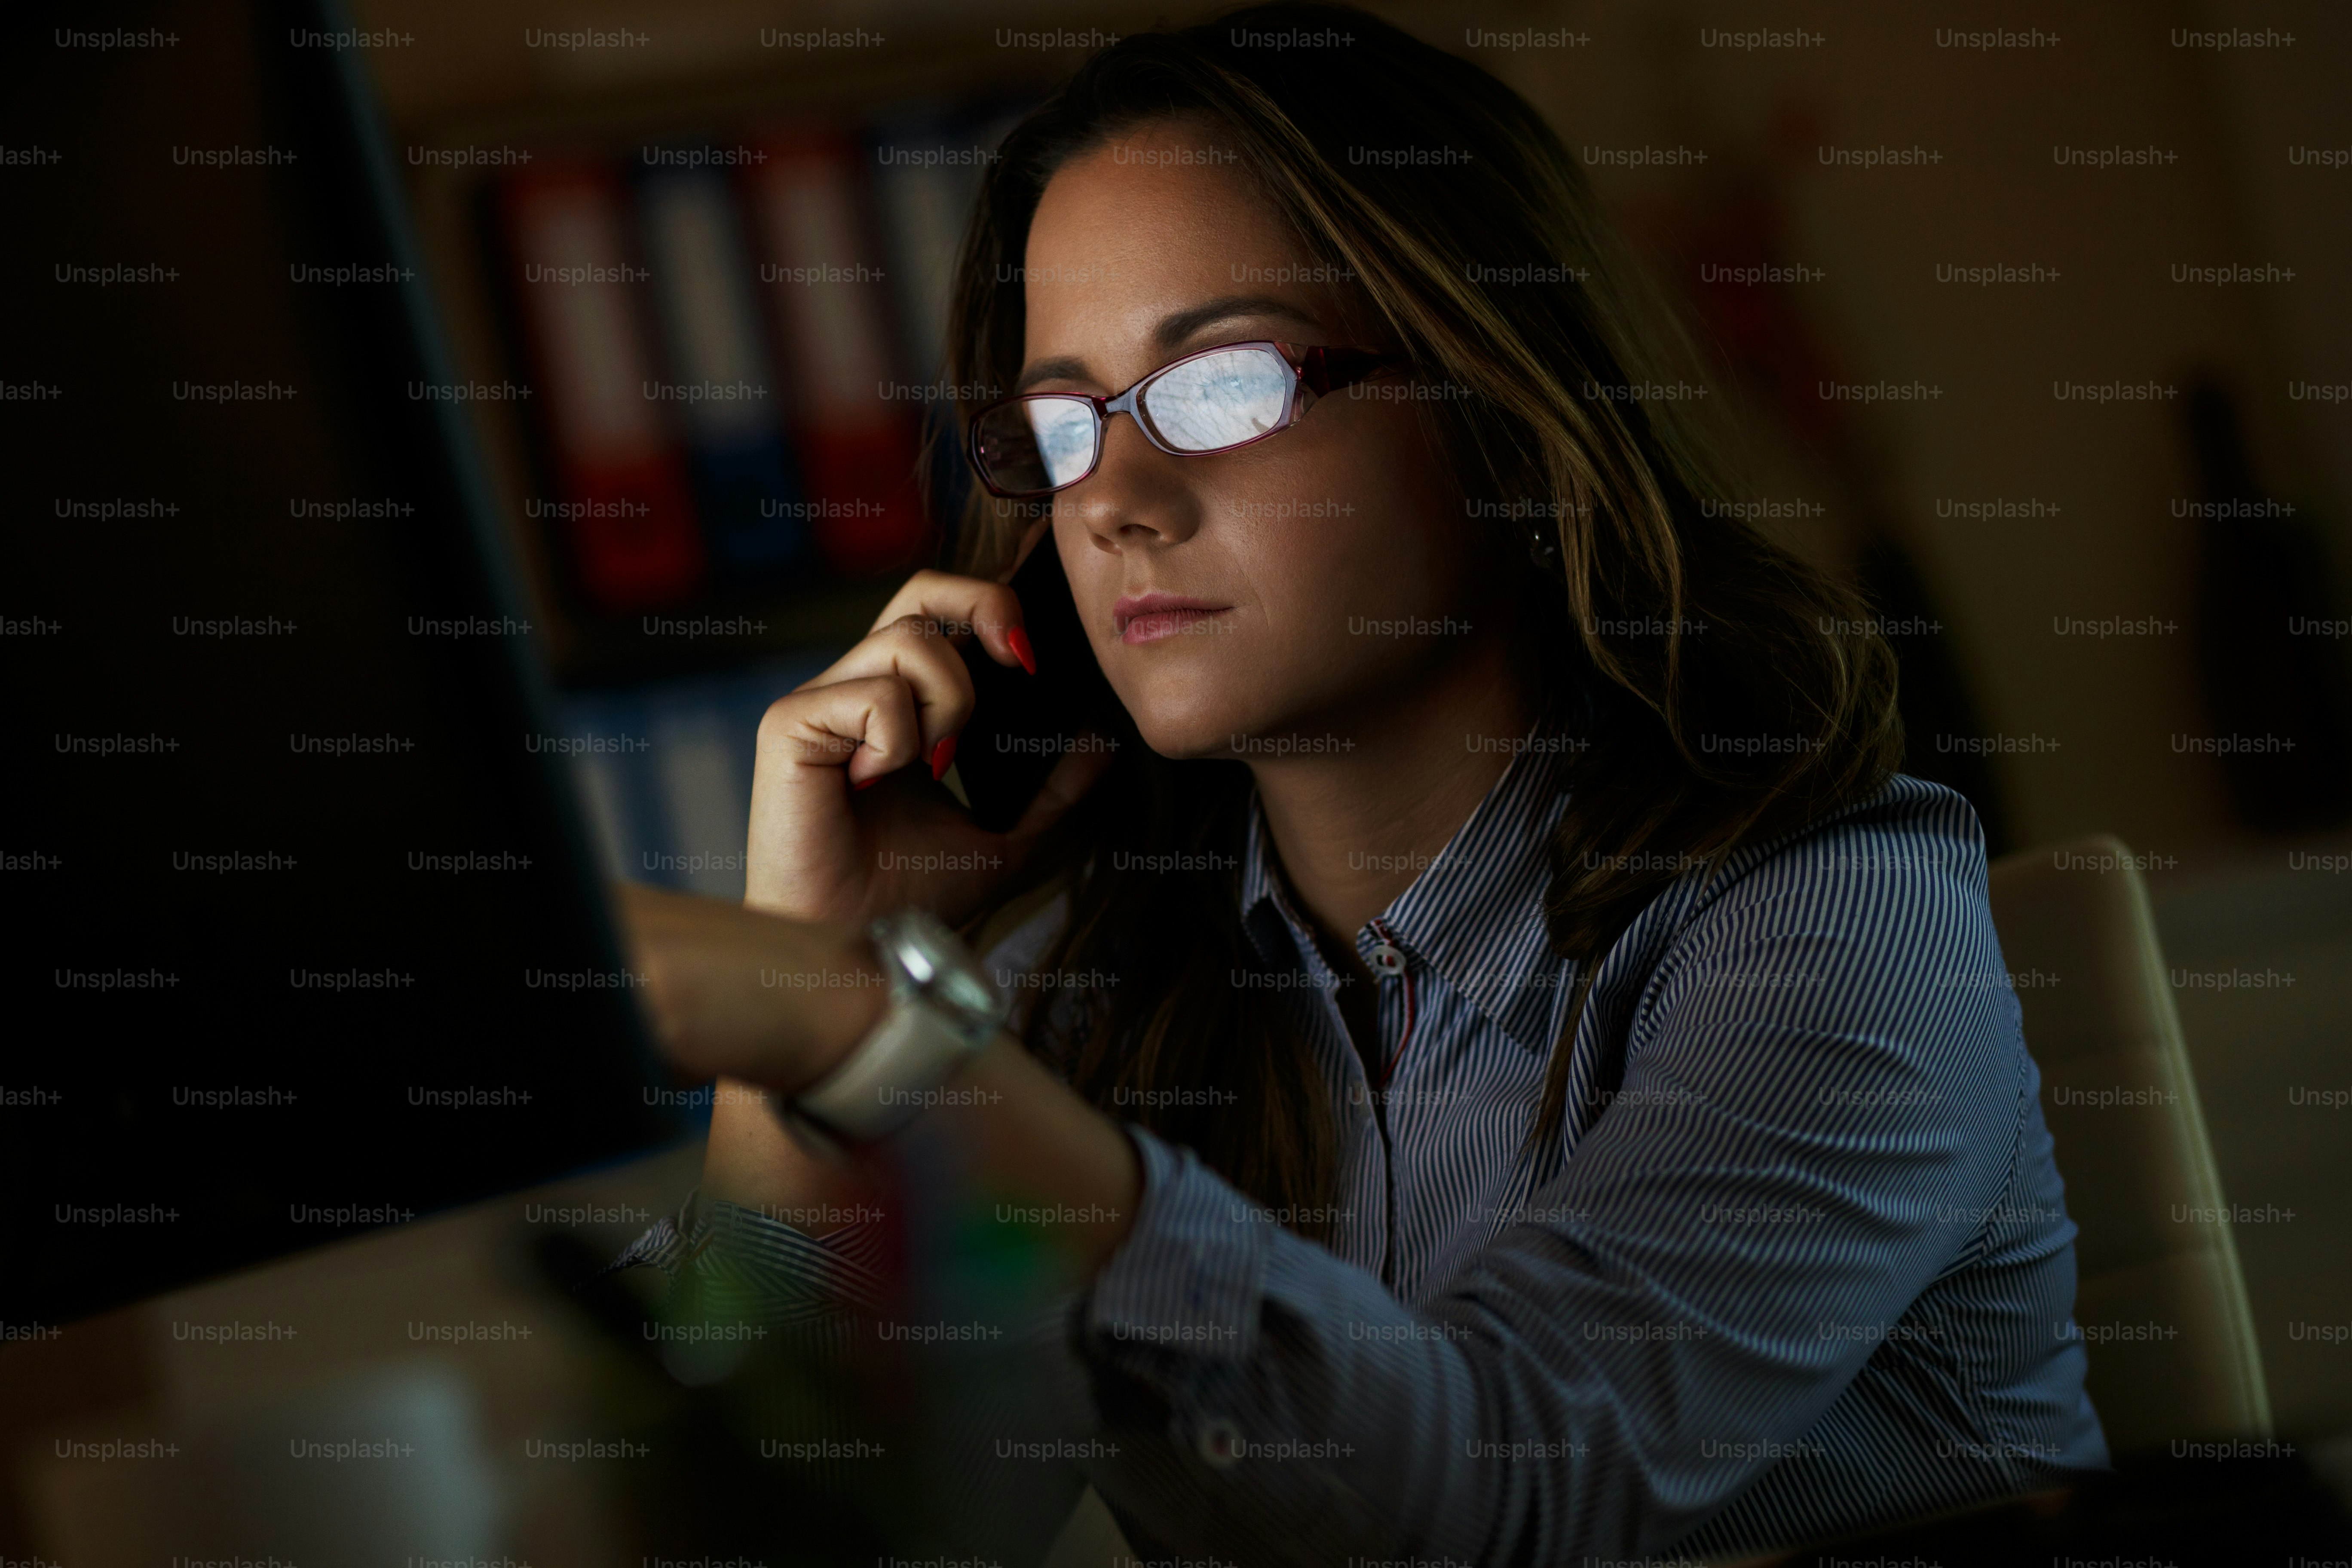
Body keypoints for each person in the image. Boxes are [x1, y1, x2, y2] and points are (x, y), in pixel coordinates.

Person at [608, 5, 2109, 1562]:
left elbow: (1491, 1501)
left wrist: (870, 1033)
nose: (1114, 498)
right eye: (1062, 427)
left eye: (1223, 383)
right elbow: (793, 1535)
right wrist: (818, 980)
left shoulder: (1842, 922)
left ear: (1503, 406)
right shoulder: (1093, 1008)